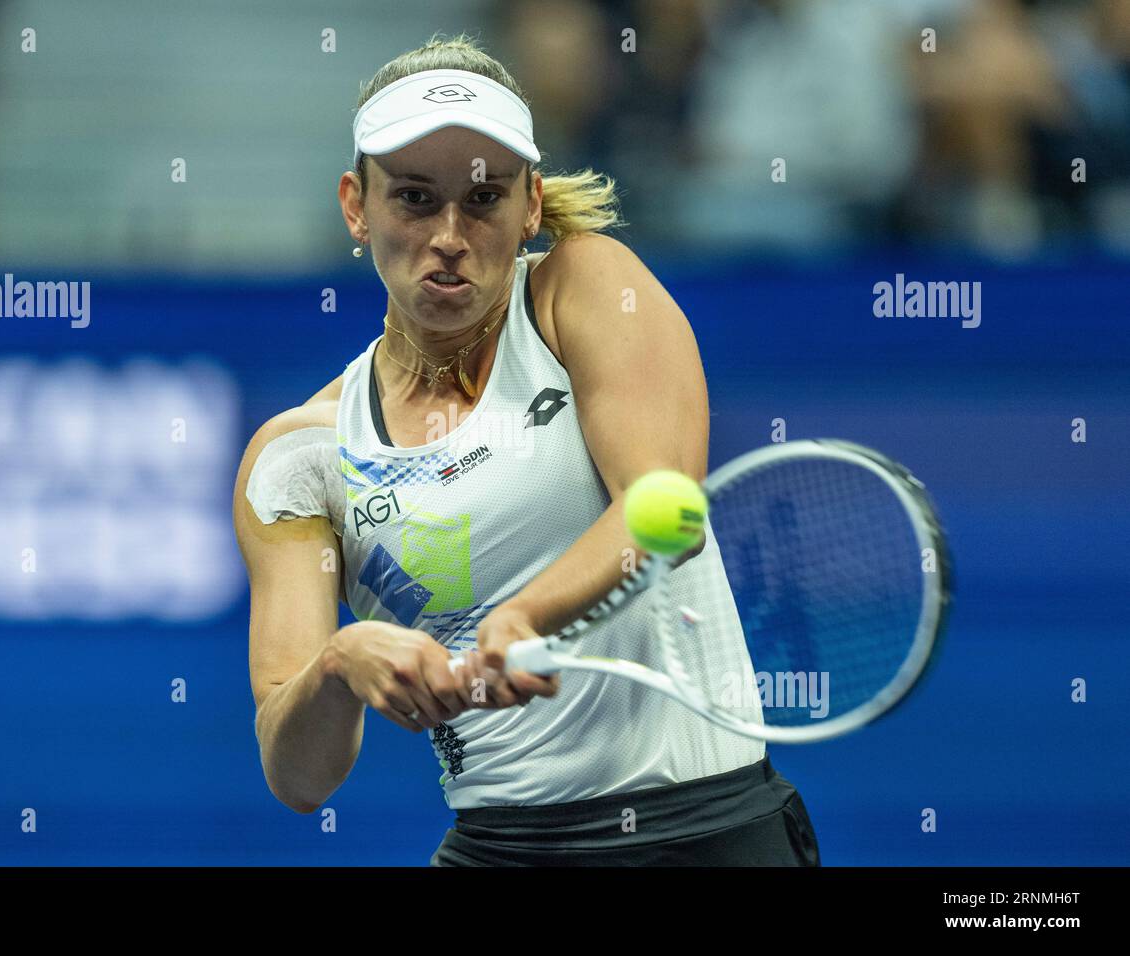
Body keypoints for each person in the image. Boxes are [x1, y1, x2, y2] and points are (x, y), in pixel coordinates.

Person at [233, 33, 820, 866]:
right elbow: (299, 779)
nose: (448, 233)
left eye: (482, 199)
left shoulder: (587, 288)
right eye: (412, 197)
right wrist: (337, 665)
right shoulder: (297, 462)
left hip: (709, 837)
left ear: (532, 204)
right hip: (500, 848)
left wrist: (523, 616)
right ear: (356, 207)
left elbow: (666, 512)